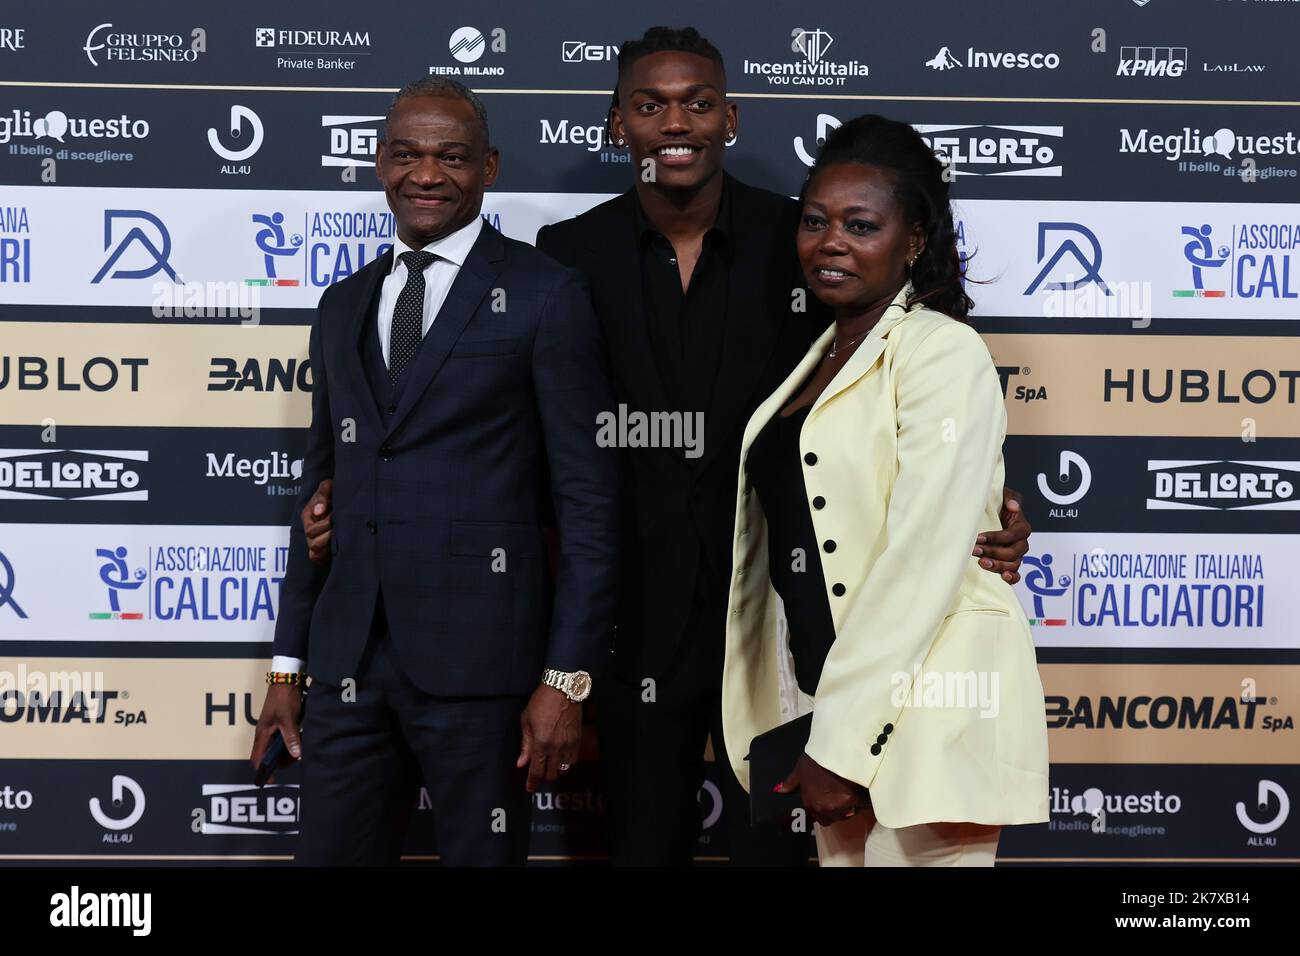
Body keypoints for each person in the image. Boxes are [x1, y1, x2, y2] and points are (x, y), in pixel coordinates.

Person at [297, 29, 1033, 866]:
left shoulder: (801, 238)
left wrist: (990, 506)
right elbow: (521, 440)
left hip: (782, 617)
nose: (674, 123)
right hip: (632, 618)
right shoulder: (569, 256)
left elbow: (893, 381)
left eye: (697, 103)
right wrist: (366, 507)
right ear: (618, 126)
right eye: (650, 106)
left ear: (731, 117)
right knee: (640, 845)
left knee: (800, 853)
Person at [248, 78, 620, 866]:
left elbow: (588, 502)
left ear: (488, 166)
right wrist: (289, 666)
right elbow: (321, 489)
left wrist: (567, 679)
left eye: (451, 156)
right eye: (406, 154)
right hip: (349, 664)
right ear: (378, 164)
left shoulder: (545, 295)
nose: (426, 174)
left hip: (484, 671)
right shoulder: (342, 304)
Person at [723, 114, 1050, 867]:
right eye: (815, 221)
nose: (831, 240)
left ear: (912, 242)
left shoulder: (943, 351)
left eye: (861, 224)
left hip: (927, 711)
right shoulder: (810, 358)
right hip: (827, 701)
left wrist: (842, 742)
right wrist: (822, 725)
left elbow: (924, 555)